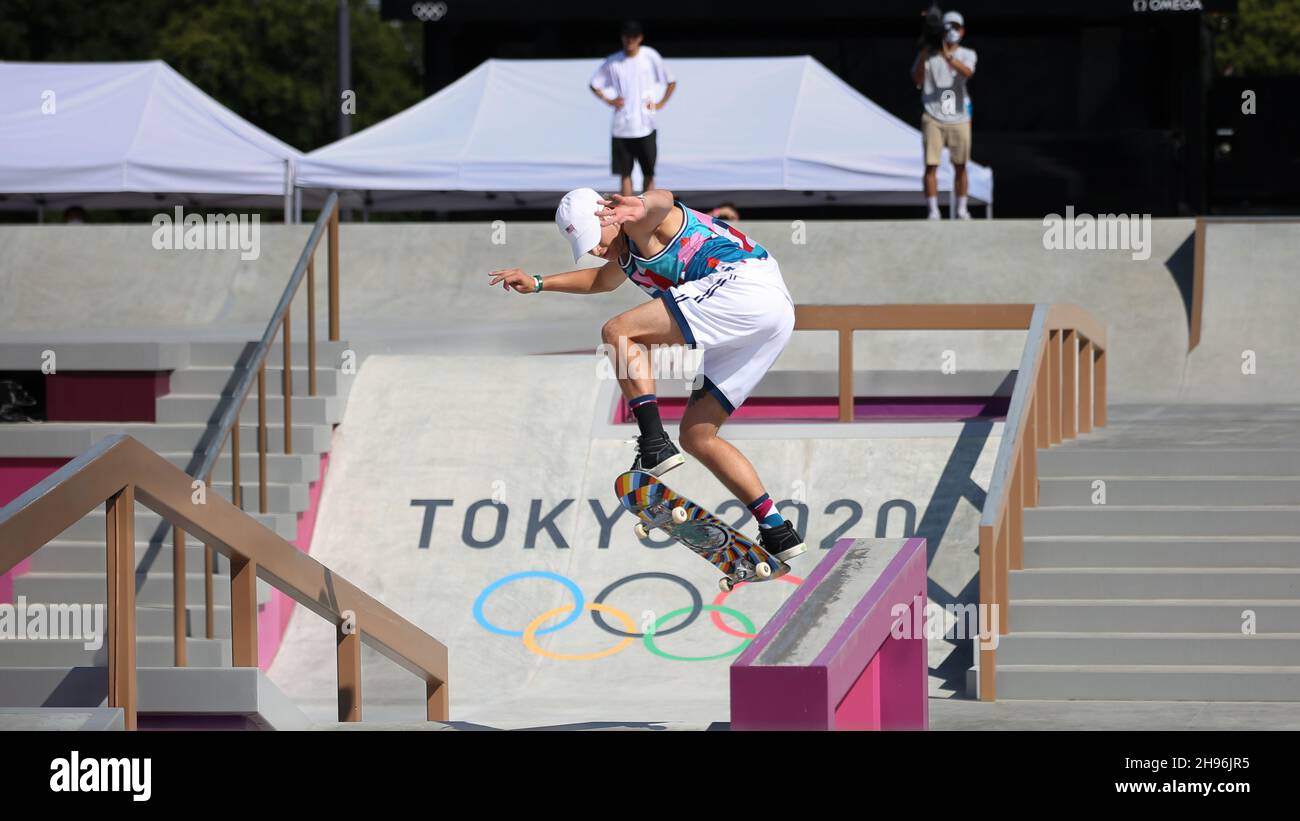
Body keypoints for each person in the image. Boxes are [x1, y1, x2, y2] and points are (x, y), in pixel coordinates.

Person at [488, 188, 806, 562]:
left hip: (742, 289)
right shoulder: (624, 254)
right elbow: (600, 282)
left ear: (609, 217)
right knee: (698, 435)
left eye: (596, 239)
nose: (595, 250)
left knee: (617, 331)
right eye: (586, 246)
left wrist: (639, 203)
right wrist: (539, 283)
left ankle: (654, 442)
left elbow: (665, 202)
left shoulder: (641, 221)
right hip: (769, 320)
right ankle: (777, 529)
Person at [590, 20, 676, 197]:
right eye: (627, 36)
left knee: (649, 172)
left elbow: (671, 81)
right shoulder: (614, 62)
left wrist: (660, 103)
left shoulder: (649, 56)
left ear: (640, 38)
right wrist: (609, 100)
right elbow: (594, 84)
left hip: (646, 124)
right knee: (625, 174)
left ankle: (648, 214)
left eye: (634, 36)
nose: (630, 40)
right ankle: (627, 216)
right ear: (622, 37)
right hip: (622, 127)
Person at [911, 10, 977, 220]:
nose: (952, 32)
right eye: (948, 28)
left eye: (956, 28)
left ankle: (961, 209)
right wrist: (924, 51)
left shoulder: (967, 53)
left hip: (958, 117)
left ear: (963, 31)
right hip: (933, 115)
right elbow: (917, 79)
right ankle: (933, 210)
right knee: (931, 165)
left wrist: (947, 55)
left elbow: (967, 73)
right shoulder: (929, 55)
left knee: (961, 165)